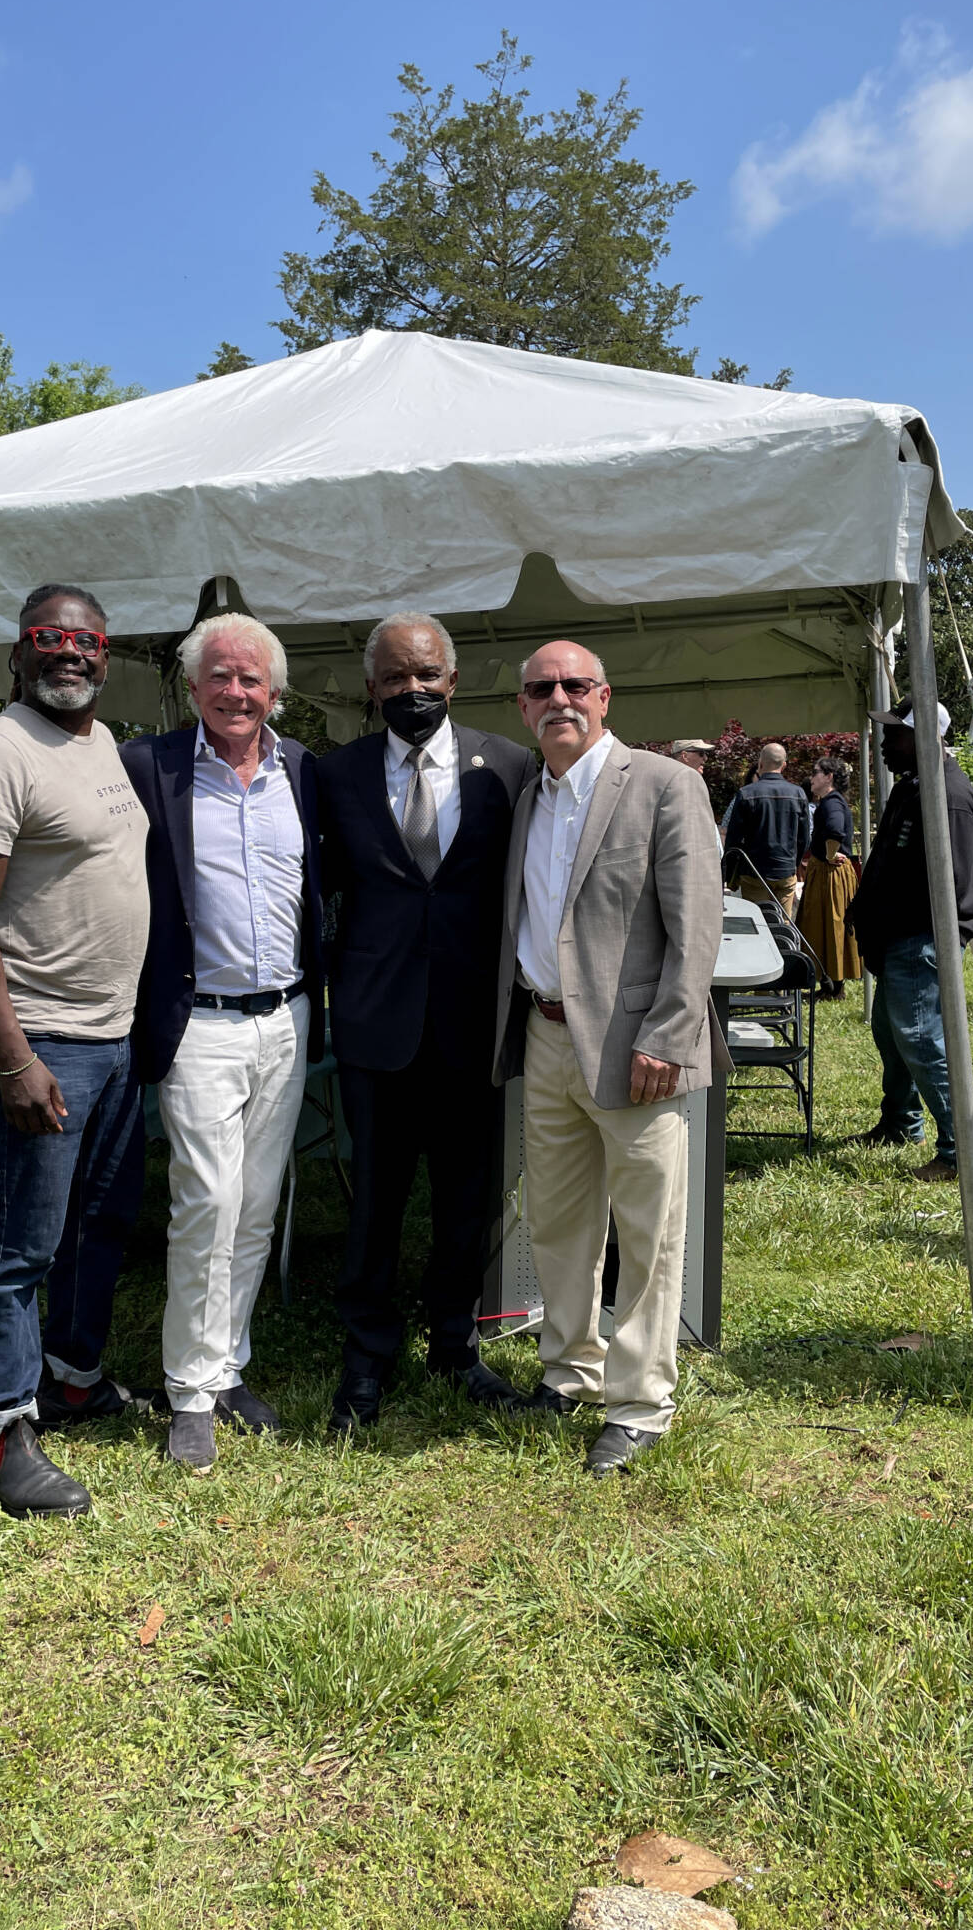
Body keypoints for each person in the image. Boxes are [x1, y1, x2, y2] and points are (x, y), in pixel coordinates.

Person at [0, 584, 150, 1521]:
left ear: (106, 655)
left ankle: (72, 1380)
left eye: (85, 641)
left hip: (111, 1035)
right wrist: (16, 1057)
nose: (69, 654)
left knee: (98, 1224)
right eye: (48, 640)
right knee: (17, 1243)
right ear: (17, 656)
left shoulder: (97, 743)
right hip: (41, 1038)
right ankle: (2, 1436)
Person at [493, 640, 723, 1477]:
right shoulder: (527, 798)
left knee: (648, 1230)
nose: (559, 697)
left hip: (637, 1048)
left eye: (575, 685)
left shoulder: (666, 785)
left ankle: (639, 1403)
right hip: (544, 1035)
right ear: (522, 709)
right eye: (541, 688)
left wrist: (668, 1035)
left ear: (604, 697)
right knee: (558, 1222)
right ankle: (571, 1370)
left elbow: (695, 929)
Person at [316, 610, 536, 1431]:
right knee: (373, 1200)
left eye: (427, 675)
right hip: (377, 1027)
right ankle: (365, 1357)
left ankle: (454, 1344)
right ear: (372, 687)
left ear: (454, 680)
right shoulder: (334, 776)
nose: (413, 690)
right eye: (396, 678)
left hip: (475, 1026)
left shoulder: (509, 768)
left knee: (467, 1198)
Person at [121, 615, 325, 1475]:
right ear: (193, 687)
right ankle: (190, 1394)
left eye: (251, 680)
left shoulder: (304, 773)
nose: (236, 693)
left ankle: (229, 1366)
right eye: (220, 677)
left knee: (256, 1207)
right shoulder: (148, 768)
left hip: (286, 1017)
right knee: (205, 1201)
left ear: (274, 693)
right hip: (197, 1018)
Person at [848, 697, 973, 1184]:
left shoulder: (945, 796)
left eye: (895, 734)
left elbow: (947, 886)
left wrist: (900, 928)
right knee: (893, 1035)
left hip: (917, 939)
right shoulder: (914, 787)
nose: (885, 743)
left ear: (925, 736)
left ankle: (964, 1153)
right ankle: (902, 1124)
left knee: (922, 1040)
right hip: (895, 940)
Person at [722, 743, 810, 919]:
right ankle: (783, 947)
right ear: (784, 765)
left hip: (754, 870)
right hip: (785, 870)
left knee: (758, 922)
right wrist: (794, 863)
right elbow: (804, 838)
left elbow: (734, 838)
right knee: (784, 923)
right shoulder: (798, 793)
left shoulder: (746, 793)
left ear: (760, 763)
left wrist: (731, 873)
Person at [795, 755, 860, 995]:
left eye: (815, 773)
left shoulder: (832, 803)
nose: (811, 778)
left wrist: (830, 854)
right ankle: (831, 984)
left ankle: (834, 985)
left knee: (830, 926)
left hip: (830, 873)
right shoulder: (832, 800)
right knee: (822, 926)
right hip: (826, 870)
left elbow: (835, 829)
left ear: (829, 776)